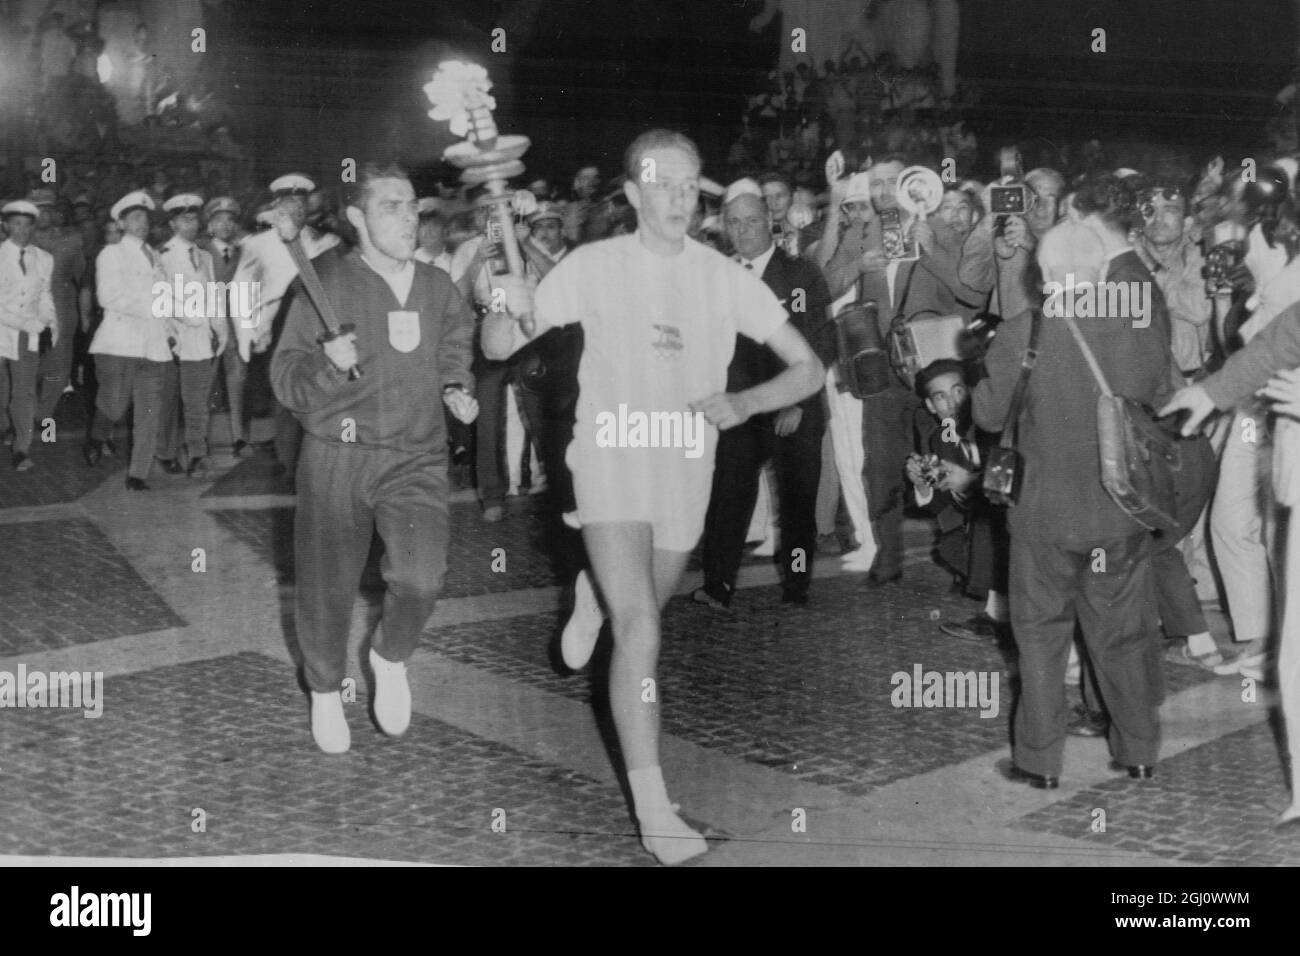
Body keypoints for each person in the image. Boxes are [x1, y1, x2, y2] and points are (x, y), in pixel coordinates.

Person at [480, 130, 824, 864]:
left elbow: (809, 370)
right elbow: (500, 346)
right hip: (610, 459)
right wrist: (503, 306)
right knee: (643, 634)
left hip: (683, 469)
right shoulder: (593, 264)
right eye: (659, 183)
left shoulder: (724, 277)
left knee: (641, 612)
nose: (675, 196)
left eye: (687, 184)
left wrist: (746, 402)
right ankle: (655, 809)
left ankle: (592, 592)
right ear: (632, 193)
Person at [270, 162, 478, 755]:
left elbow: (454, 343)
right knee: (326, 587)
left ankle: (389, 657)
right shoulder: (323, 282)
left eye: (414, 206)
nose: (411, 217)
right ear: (358, 217)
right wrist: (327, 364)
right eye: (393, 206)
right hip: (338, 454)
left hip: (416, 457)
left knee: (420, 578)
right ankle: (325, 689)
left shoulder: (438, 286)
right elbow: (285, 379)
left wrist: (455, 384)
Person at [974, 196, 1175, 789]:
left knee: (1038, 638)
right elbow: (1159, 397)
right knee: (1122, 636)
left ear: (1042, 274)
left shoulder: (1021, 333)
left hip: (1043, 520)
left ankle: (1039, 762)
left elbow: (987, 415)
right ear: (1102, 272)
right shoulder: (1135, 328)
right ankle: (1138, 750)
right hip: (1117, 514)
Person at [695, 183, 835, 608]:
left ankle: (796, 585)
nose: (743, 230)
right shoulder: (717, 276)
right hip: (741, 407)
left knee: (796, 506)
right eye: (733, 223)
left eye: (752, 220)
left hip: (794, 407)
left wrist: (798, 401)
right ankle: (717, 585)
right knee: (728, 499)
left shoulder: (801, 273)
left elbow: (822, 343)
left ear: (770, 223)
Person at [235, 173, 341, 477]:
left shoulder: (325, 242)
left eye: (300, 203)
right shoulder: (258, 244)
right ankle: (289, 461)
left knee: (322, 391)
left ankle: (317, 457)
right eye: (288, 203)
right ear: (275, 206)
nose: (295, 210)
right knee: (286, 396)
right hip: (277, 326)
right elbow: (243, 288)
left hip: (319, 327)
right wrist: (249, 333)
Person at [906, 358, 1009, 638]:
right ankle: (1011, 600)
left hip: (1026, 521)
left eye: (958, 391)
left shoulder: (995, 426)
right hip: (992, 525)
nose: (952, 403)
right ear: (930, 406)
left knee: (988, 521)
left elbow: (1012, 489)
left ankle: (997, 614)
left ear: (972, 392)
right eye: (940, 396)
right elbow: (946, 505)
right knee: (950, 546)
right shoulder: (942, 440)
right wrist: (924, 484)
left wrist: (972, 482)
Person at [85, 190, 170, 490]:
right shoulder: (111, 253)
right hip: (119, 343)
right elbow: (108, 296)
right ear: (120, 223)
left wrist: (172, 328)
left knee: (149, 412)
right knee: (116, 404)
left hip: (154, 345)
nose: (142, 223)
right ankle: (97, 435)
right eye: (135, 217)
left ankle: (138, 474)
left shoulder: (157, 256)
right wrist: (152, 306)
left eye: (145, 218)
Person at [155, 193, 222, 479]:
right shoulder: (163, 256)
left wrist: (217, 328)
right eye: (185, 219)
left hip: (200, 338)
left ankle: (197, 453)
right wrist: (181, 324)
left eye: (194, 218)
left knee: (196, 402)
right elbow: (161, 298)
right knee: (168, 401)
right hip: (172, 336)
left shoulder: (205, 256)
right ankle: (165, 453)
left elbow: (213, 295)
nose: (191, 224)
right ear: (172, 223)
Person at [0, 200, 57, 472]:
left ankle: (22, 447)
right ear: (6, 225)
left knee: (24, 392)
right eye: (16, 224)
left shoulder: (44, 258)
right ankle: (4, 426)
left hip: (27, 335)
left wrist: (47, 322)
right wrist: (27, 323)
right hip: (3, 329)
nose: (21, 230)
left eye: (27, 224)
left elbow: (45, 295)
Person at [200, 196, 250, 458]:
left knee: (237, 381)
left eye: (230, 221)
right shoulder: (199, 252)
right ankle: (200, 440)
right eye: (219, 220)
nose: (225, 226)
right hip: (208, 326)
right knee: (206, 385)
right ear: (210, 225)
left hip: (236, 326)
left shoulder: (243, 252)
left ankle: (239, 437)